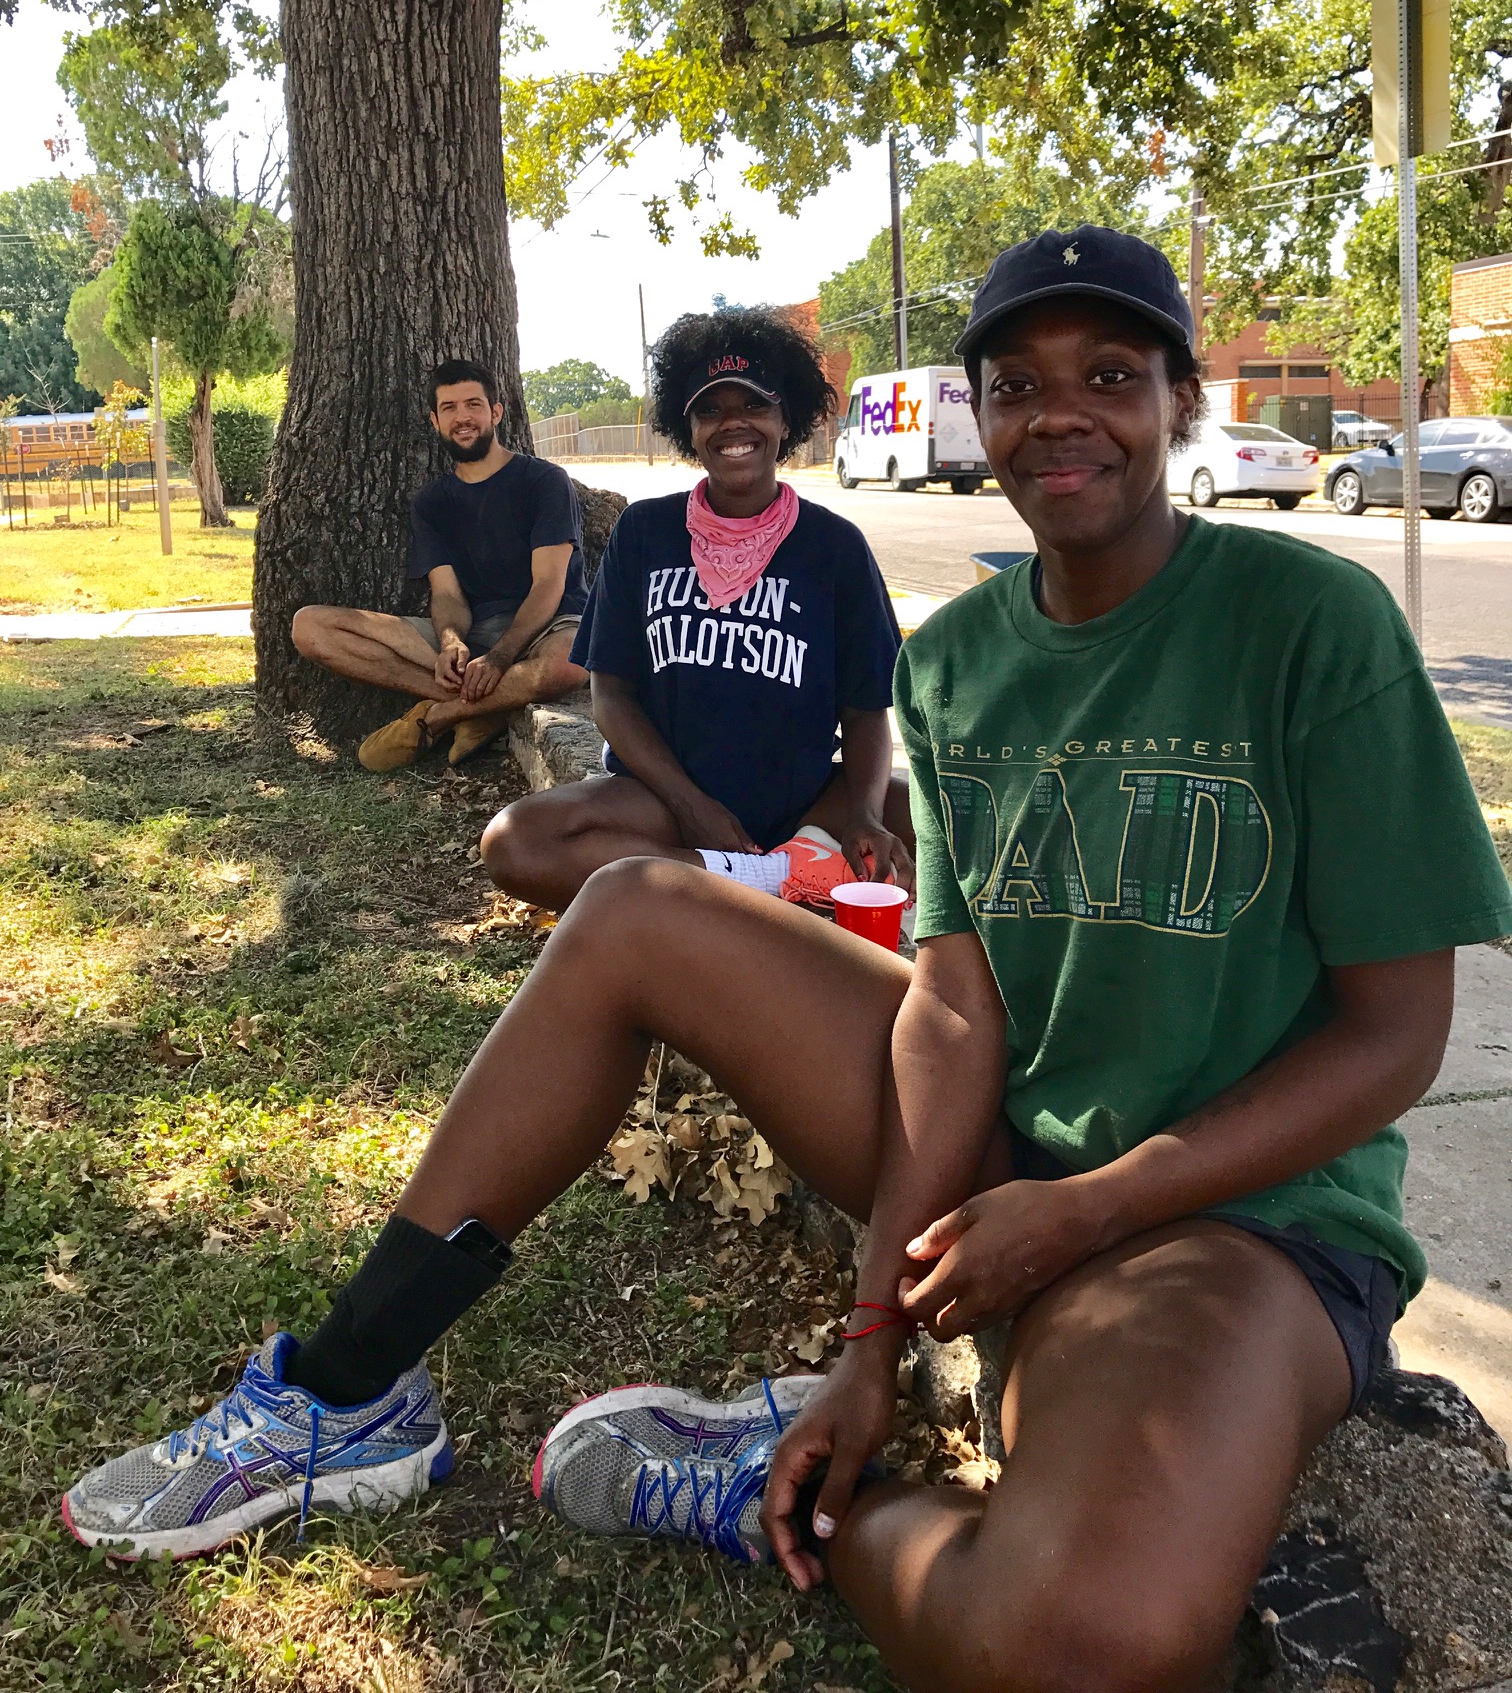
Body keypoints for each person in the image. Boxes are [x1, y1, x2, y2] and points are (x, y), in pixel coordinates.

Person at [65, 228, 1512, 1693]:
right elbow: (954, 1009)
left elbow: (1393, 1037)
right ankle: (344, 1393)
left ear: (1180, 401)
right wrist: (871, 1339)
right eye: (1017, 384)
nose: (1061, 415)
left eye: (1112, 375)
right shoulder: (961, 660)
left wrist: (1084, 1211)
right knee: (630, 908)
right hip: (1002, 1144)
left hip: (1239, 1218)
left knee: (1083, 1647)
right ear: (980, 414)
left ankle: (799, 1500)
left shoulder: (1311, 627)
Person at [481, 308, 913, 911]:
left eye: (755, 404)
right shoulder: (645, 531)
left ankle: (738, 878)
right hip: (664, 802)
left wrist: (864, 815)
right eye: (710, 409)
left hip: (807, 801)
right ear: (688, 428)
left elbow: (866, 711)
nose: (733, 423)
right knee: (516, 841)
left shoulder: (835, 546)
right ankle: (774, 880)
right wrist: (689, 804)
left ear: (785, 418)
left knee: (942, 813)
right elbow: (611, 695)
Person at [291, 359, 589, 770]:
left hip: (547, 623)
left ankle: (437, 716)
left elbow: (548, 586)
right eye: (449, 408)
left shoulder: (544, 481)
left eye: (473, 405)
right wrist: (451, 643)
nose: (462, 417)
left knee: (573, 661)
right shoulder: (431, 502)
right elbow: (447, 593)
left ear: (496, 412)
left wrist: (499, 658)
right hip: (475, 629)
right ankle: (482, 706)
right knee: (311, 627)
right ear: (435, 420)